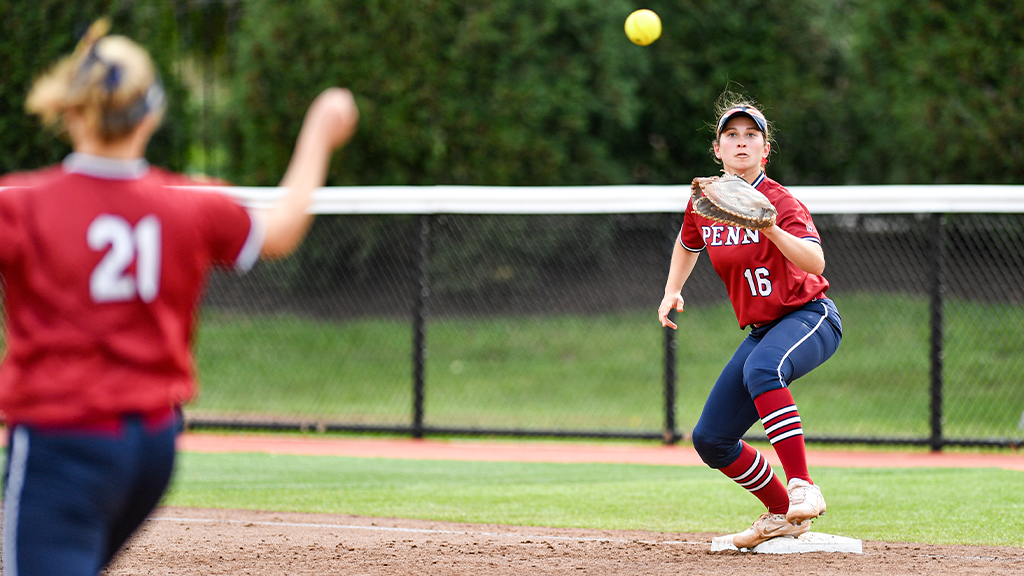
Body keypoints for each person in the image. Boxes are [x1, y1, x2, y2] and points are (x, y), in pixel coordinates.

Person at [0, 19, 359, 575]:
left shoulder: (23, 207)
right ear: (151, 114)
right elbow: (284, 228)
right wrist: (319, 130)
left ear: (71, 111)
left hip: (66, 438)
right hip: (152, 447)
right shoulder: (190, 206)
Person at [657, 92, 842, 549]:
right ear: (717, 150)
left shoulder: (779, 201)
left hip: (809, 316)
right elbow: (689, 241)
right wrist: (672, 290)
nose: (741, 142)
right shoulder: (707, 198)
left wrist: (771, 226)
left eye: (751, 135)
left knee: (764, 370)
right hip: (762, 330)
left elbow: (815, 263)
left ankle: (802, 486)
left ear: (765, 150)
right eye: (731, 135)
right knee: (711, 439)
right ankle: (783, 514)